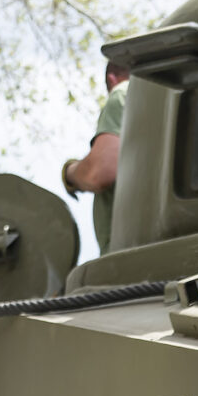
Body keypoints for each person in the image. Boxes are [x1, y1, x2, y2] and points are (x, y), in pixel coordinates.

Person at [61, 60, 130, 252]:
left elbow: (99, 173)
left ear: (112, 79)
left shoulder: (124, 91)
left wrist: (70, 173)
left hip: (129, 252)